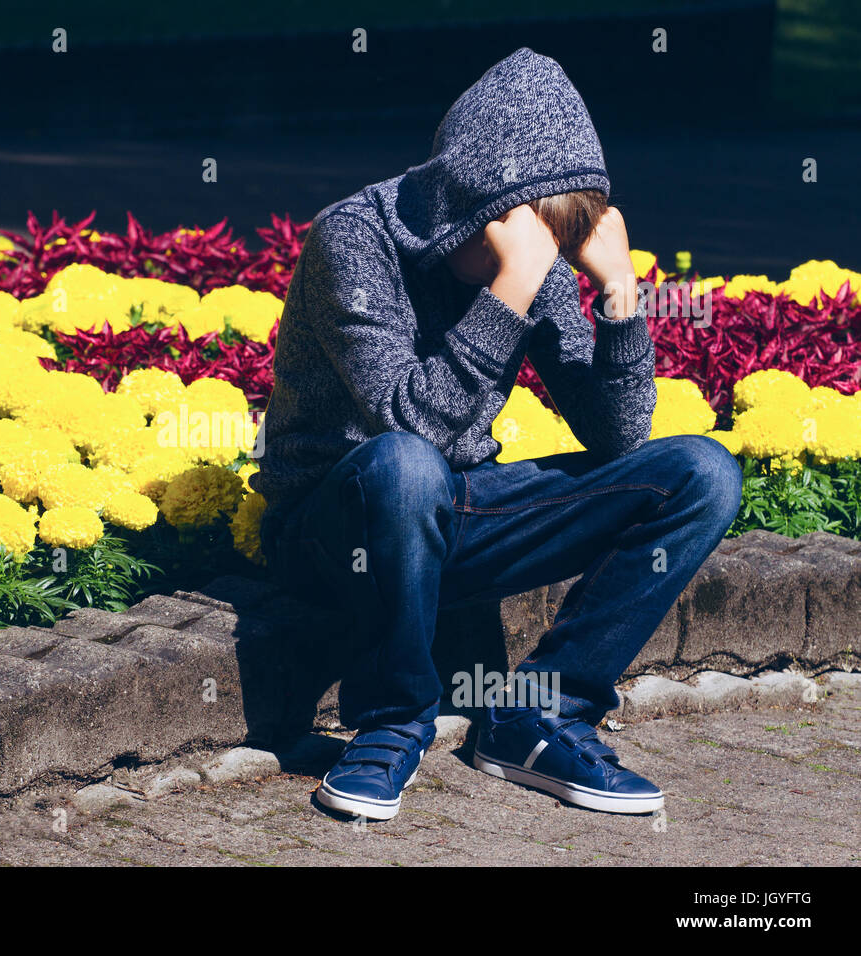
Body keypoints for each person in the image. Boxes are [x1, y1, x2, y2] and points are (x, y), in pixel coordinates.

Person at [250, 47, 743, 821]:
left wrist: (618, 294)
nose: (531, 265)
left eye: (546, 253)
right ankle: (391, 723)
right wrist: (509, 292)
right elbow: (409, 424)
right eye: (519, 247)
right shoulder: (352, 239)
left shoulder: (529, 257)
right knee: (406, 466)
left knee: (701, 474)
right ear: (466, 202)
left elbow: (618, 438)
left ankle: (539, 715)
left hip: (451, 519)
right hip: (335, 527)